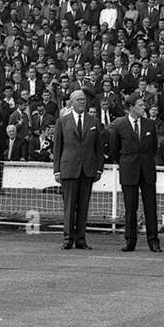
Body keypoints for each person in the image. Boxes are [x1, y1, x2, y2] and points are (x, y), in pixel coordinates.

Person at [53, 88, 106, 251]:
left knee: (84, 205)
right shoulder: (62, 121)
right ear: (71, 102)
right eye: (79, 100)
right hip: (68, 168)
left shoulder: (94, 122)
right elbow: (57, 147)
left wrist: (99, 169)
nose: (82, 102)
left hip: (88, 169)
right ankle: (68, 238)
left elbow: (99, 148)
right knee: (69, 206)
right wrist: (56, 170)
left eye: (84, 100)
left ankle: (81, 239)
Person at [108, 94, 160, 252]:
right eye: (140, 105)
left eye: (143, 105)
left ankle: (153, 241)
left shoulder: (150, 125)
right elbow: (114, 150)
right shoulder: (119, 124)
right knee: (130, 207)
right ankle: (130, 240)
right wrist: (126, 162)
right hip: (129, 170)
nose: (143, 108)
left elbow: (154, 148)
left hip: (147, 170)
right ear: (130, 107)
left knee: (151, 207)